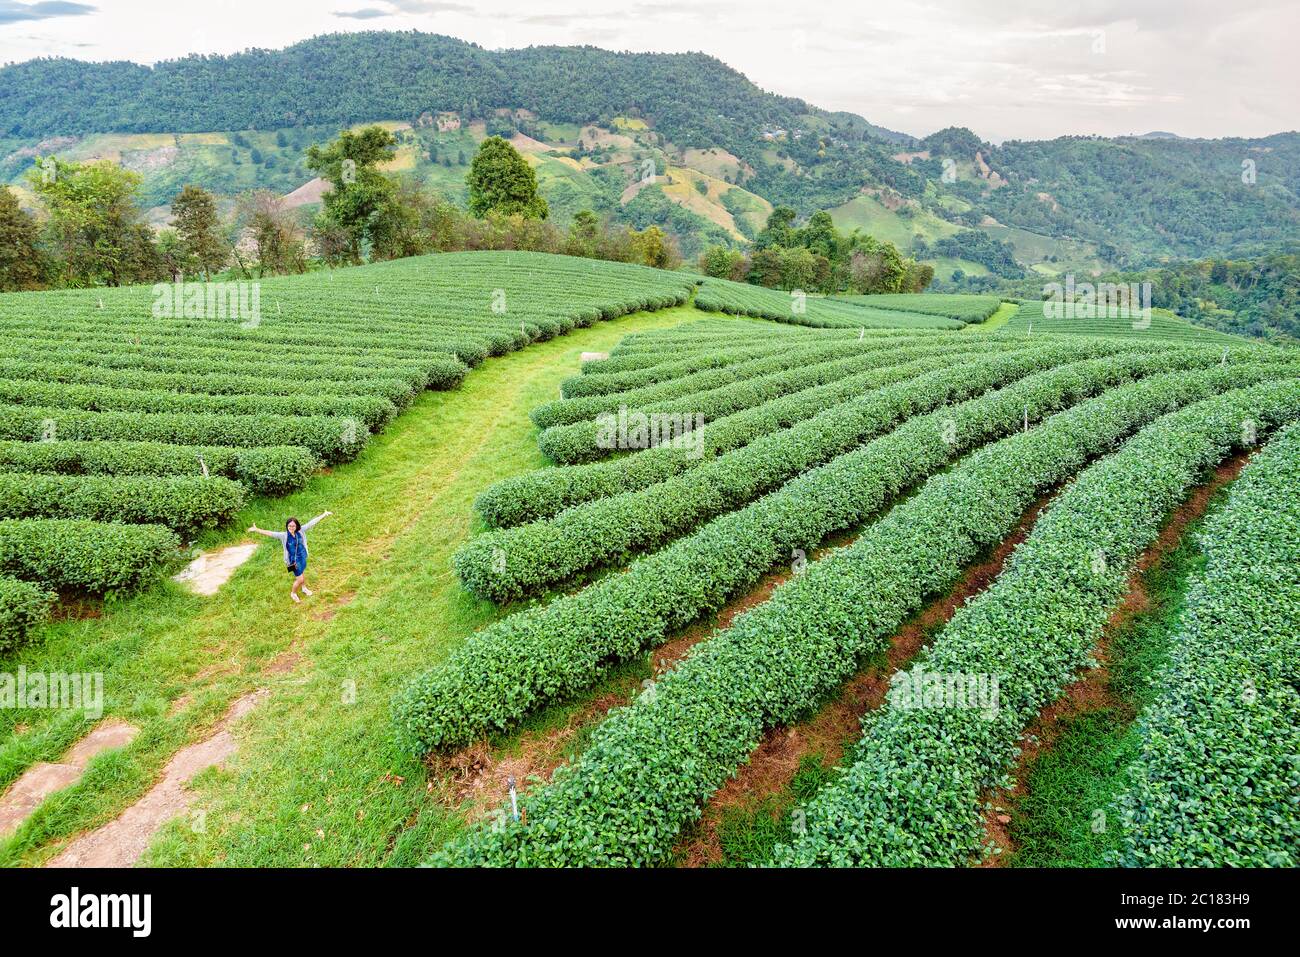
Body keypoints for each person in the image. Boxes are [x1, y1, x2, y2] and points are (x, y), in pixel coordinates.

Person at [248, 511, 332, 603]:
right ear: (287, 526)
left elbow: (311, 523)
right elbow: (270, 533)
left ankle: (304, 588)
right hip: (292, 561)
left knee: (302, 573)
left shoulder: (301, 531)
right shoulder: (283, 536)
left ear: (296, 526)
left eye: (293, 526)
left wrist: (324, 515)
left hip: (302, 557)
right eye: (289, 526)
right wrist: (257, 529)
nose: (291, 528)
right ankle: (293, 593)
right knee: (299, 579)